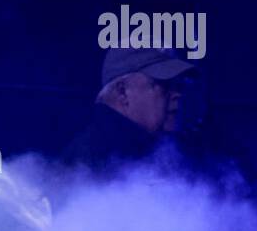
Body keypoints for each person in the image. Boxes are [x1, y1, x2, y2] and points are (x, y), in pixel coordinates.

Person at [61, 46, 196, 174]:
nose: (177, 94)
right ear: (122, 92)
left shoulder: (165, 152)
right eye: (164, 85)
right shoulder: (87, 162)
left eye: (179, 85)